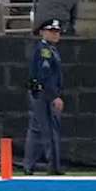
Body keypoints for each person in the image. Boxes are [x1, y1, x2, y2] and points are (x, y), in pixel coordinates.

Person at [24, 18, 64, 176]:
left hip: (40, 92)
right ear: (43, 32)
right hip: (43, 93)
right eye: (52, 31)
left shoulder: (50, 49)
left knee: (36, 129)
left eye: (57, 32)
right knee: (48, 129)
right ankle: (53, 164)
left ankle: (29, 164)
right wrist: (54, 96)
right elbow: (44, 74)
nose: (55, 34)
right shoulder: (44, 50)